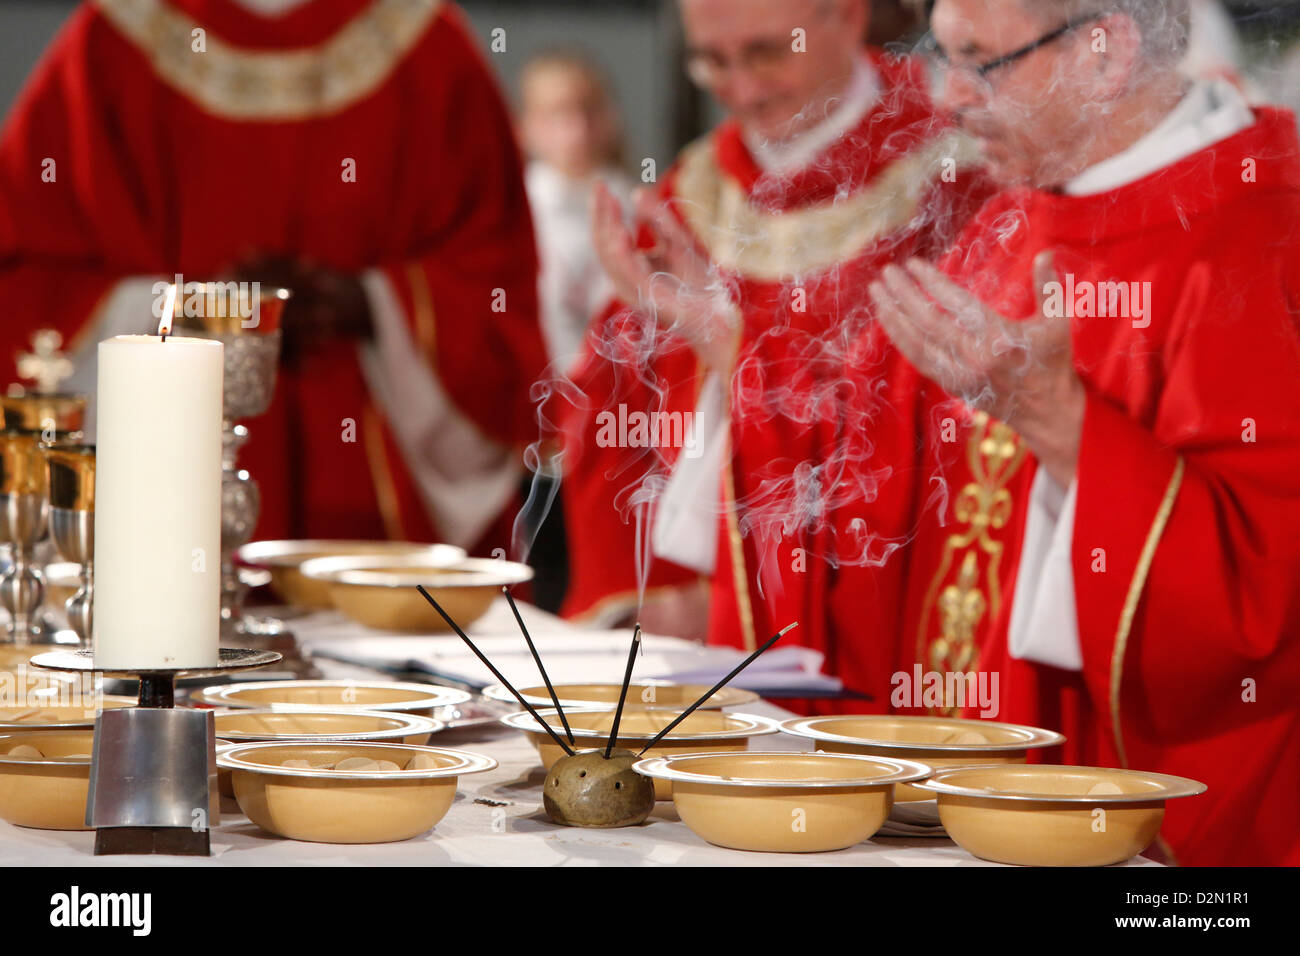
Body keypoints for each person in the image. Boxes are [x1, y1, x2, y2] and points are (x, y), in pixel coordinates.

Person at [861, 0, 1300, 865]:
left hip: (1168, 843)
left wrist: (1063, 426)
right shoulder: (1007, 221)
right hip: (985, 797)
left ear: (1104, 53)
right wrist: (724, 352)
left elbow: (1267, 602)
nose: (946, 96)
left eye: (979, 61)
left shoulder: (1265, 238)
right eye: (939, 56)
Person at [0, 0, 546, 553]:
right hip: (166, 467)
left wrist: (371, 303)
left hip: (371, 503)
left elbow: (493, 267)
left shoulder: (424, 39)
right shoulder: (113, 38)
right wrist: (186, 310)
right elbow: (28, 270)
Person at [559, 0, 993, 642]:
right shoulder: (692, 192)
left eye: (766, 52)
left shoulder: (956, 182)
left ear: (846, 18)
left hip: (870, 624)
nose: (742, 88)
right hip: (689, 642)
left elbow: (946, 429)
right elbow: (613, 409)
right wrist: (641, 599)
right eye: (712, 60)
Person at [519, 51, 633, 375]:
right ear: (525, 126)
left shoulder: (638, 208)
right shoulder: (513, 212)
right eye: (557, 115)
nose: (577, 130)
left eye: (590, 110)